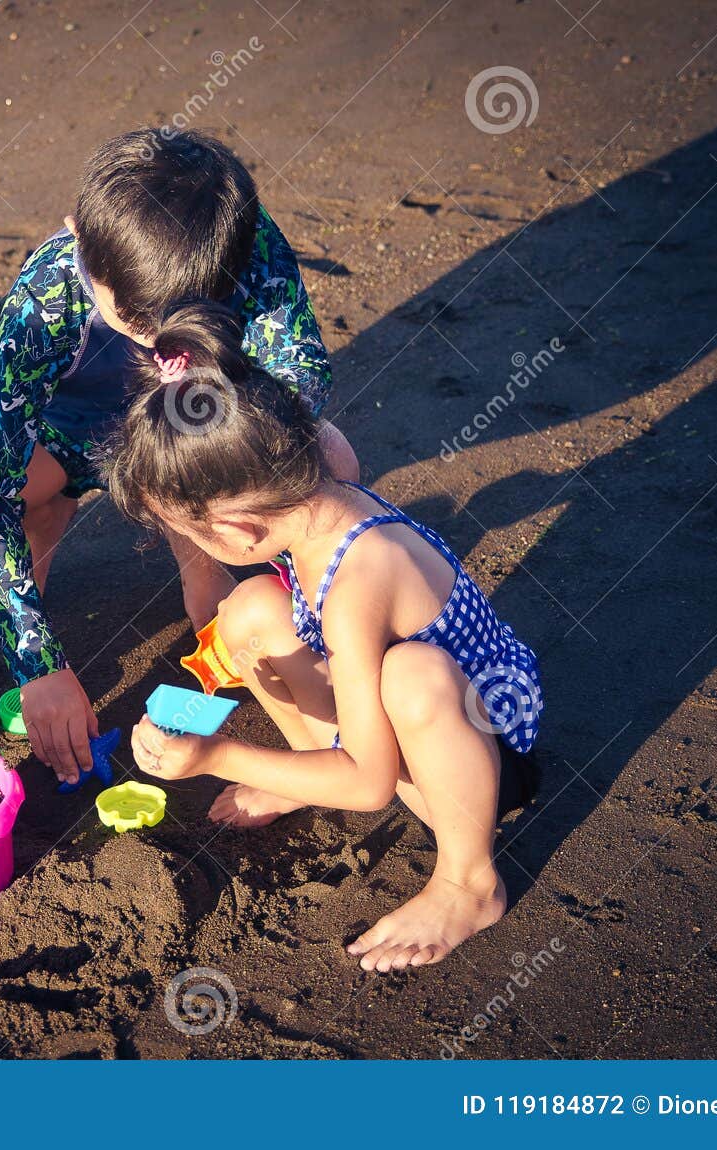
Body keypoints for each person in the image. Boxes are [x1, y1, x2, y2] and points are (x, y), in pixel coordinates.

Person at [0, 128, 357, 783]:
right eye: (133, 319)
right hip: (61, 437)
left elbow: (300, 377)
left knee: (329, 463)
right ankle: (47, 539)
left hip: (188, 430)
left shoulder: (244, 240)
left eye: (174, 317)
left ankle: (256, 605)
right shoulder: (50, 293)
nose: (154, 339)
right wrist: (40, 666)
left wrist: (205, 443)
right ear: (79, 236)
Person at [107, 301, 542, 972]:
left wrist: (215, 755)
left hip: (477, 762)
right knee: (251, 607)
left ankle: (469, 881)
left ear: (237, 531)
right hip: (388, 717)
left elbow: (371, 786)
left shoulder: (357, 583)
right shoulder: (312, 480)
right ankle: (309, 773)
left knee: (412, 676)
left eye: (189, 534)